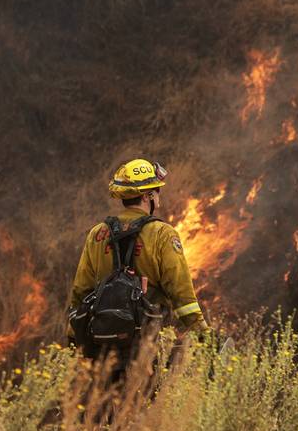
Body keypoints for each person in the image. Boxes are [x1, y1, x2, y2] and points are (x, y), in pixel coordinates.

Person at [68, 159, 208, 373]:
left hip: (102, 345)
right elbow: (181, 292)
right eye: (156, 191)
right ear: (146, 196)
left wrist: (74, 337)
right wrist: (203, 333)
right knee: (147, 392)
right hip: (148, 345)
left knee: (108, 394)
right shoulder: (162, 234)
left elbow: (81, 291)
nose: (158, 196)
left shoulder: (98, 234)